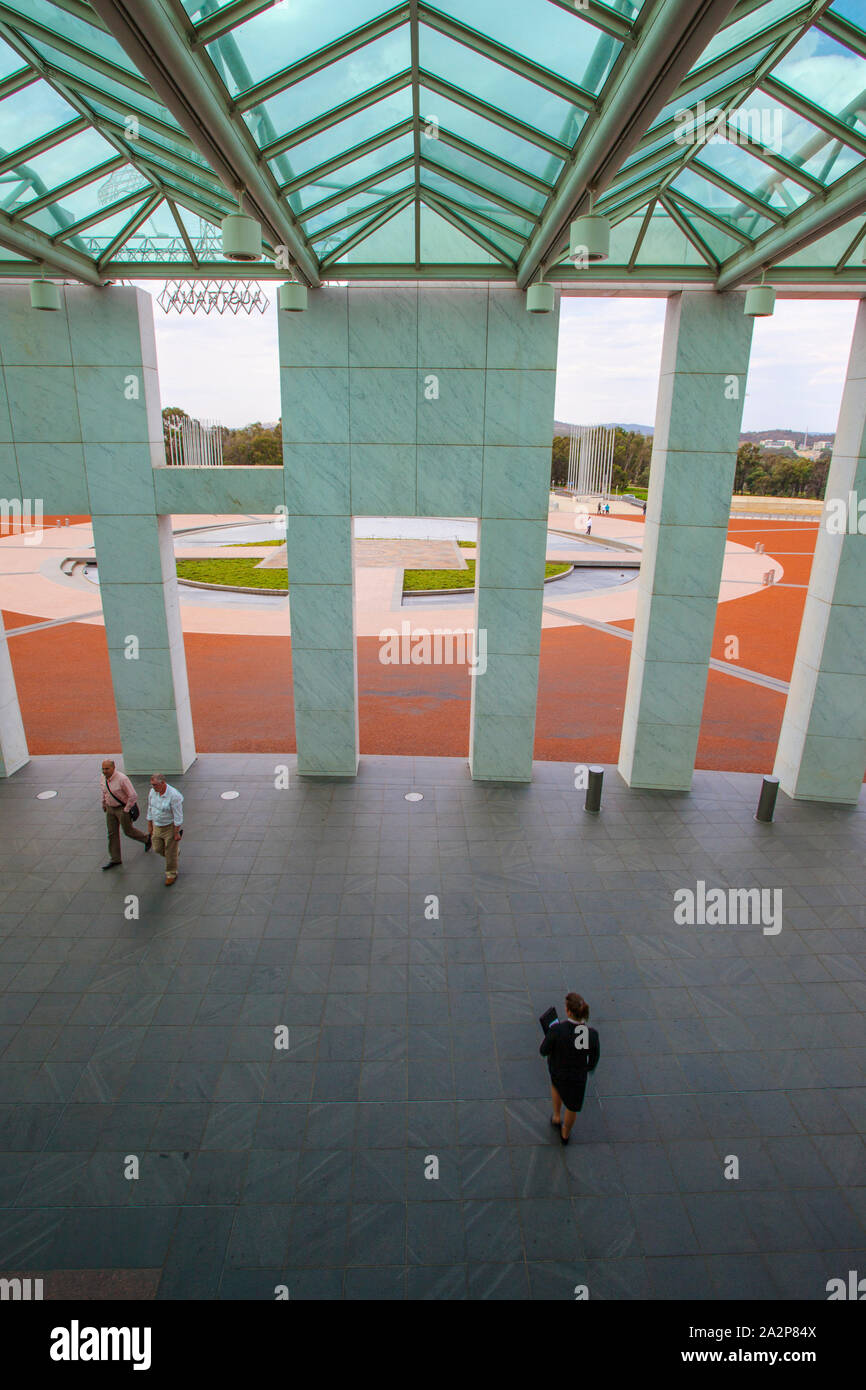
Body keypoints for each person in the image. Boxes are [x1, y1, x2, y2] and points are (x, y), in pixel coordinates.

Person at [540, 992, 600, 1144]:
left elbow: (543, 1050)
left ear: (568, 1012)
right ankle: (565, 1133)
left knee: (556, 1087)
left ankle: (556, 1116)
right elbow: (594, 1057)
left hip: (558, 1070)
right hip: (577, 1076)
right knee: (572, 1106)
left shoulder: (557, 1031)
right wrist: (587, 1068)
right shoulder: (591, 1034)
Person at [100, 758, 150, 870]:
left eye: (107, 769)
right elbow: (104, 792)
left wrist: (126, 810)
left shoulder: (122, 779)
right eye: (103, 769)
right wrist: (104, 804)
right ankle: (115, 859)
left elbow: (133, 795)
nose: (104, 771)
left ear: (113, 768)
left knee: (128, 831)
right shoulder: (103, 777)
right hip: (110, 808)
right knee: (112, 834)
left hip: (122, 809)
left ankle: (146, 839)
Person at [146, 773, 184, 886]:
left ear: (163, 783)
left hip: (170, 827)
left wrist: (176, 832)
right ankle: (174, 853)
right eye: (152, 785)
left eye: (155, 785)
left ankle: (171, 873)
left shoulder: (174, 796)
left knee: (170, 851)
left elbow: (178, 816)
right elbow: (150, 808)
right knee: (157, 848)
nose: (153, 787)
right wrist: (150, 825)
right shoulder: (152, 792)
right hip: (157, 825)